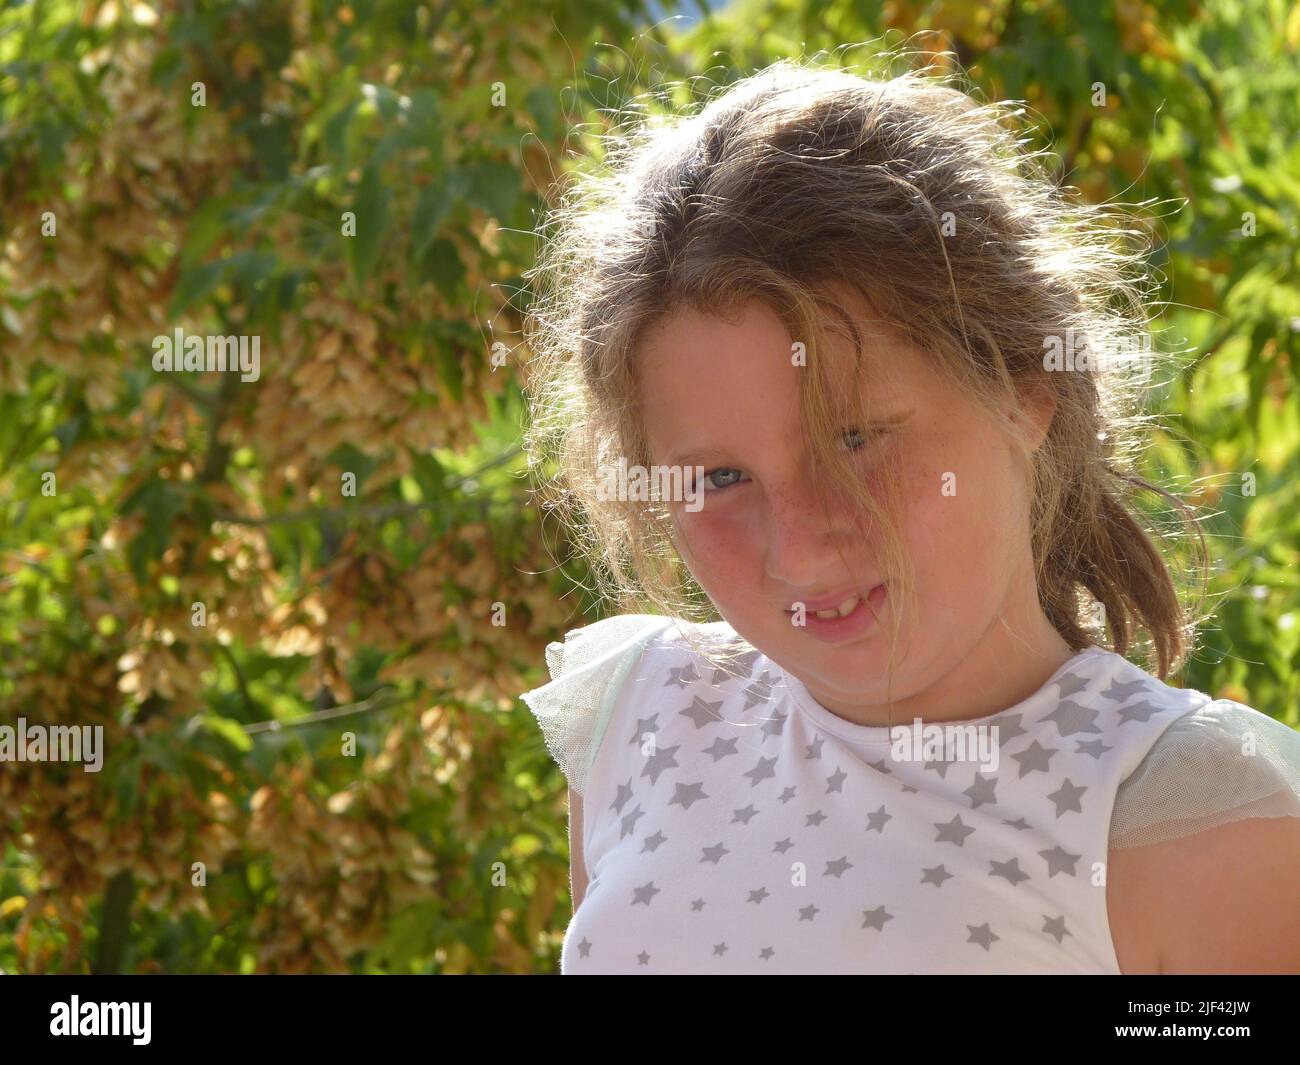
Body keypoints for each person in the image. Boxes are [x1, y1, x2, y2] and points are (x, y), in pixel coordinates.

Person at [518, 56, 1300, 974]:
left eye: (856, 440)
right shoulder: (642, 721)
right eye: (722, 476)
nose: (802, 547)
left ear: (1024, 389)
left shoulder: (1186, 815)